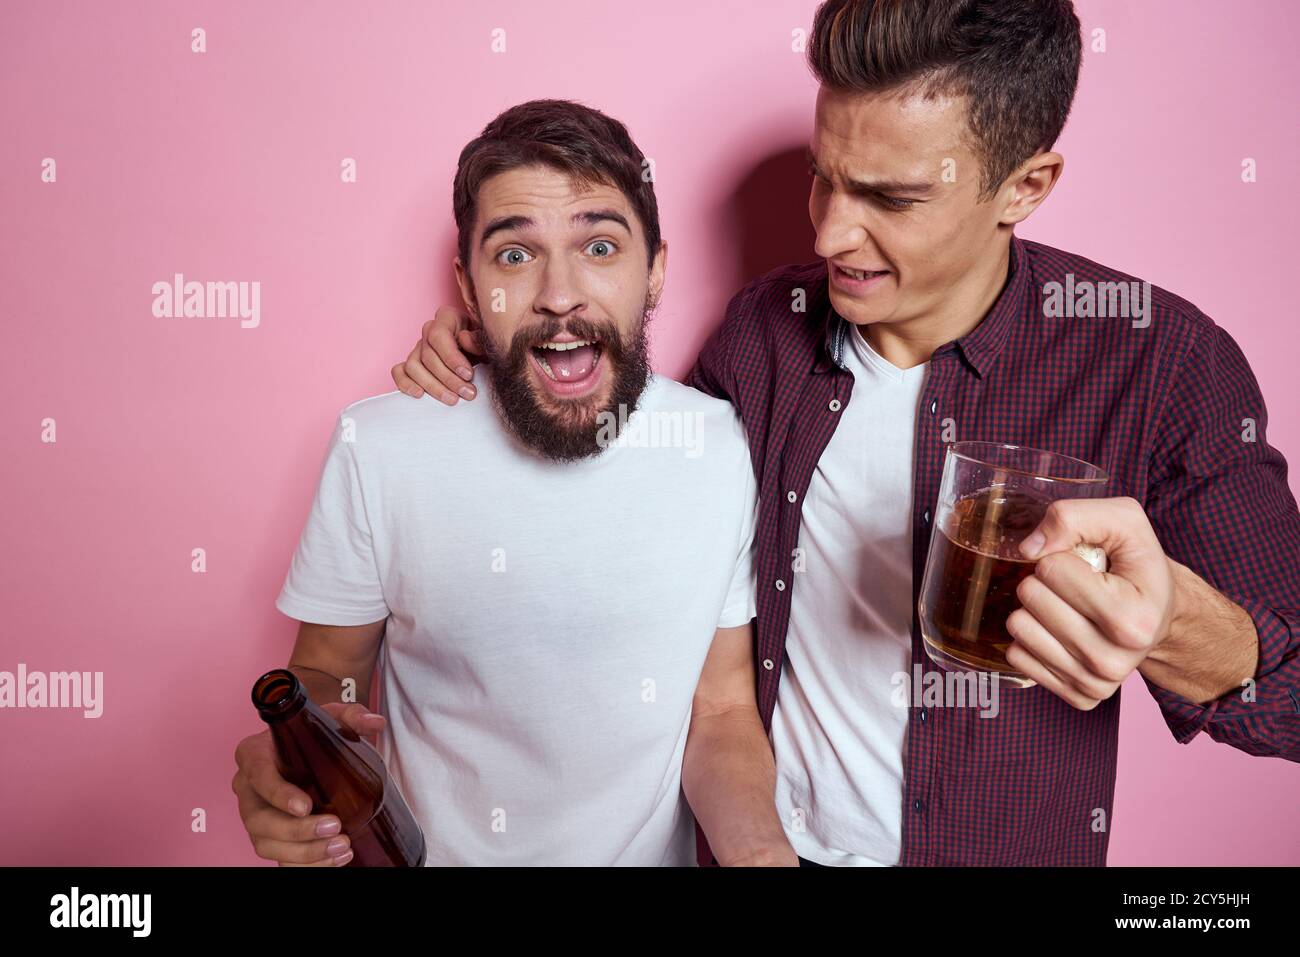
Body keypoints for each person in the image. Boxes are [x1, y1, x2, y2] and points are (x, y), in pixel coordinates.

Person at [393, 0, 1300, 866]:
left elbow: (1292, 694)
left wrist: (1173, 621)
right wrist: (500, 352)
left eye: (892, 198)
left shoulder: (1156, 362)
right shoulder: (762, 332)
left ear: (1025, 186)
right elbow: (637, 478)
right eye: (822, 177)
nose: (830, 231)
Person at [231, 99, 798, 866]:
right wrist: (294, 767)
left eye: (599, 246)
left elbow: (723, 708)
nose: (559, 294)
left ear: (657, 269)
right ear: (468, 286)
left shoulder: (717, 448)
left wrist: (762, 854)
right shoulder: (381, 446)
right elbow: (326, 672)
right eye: (514, 255)